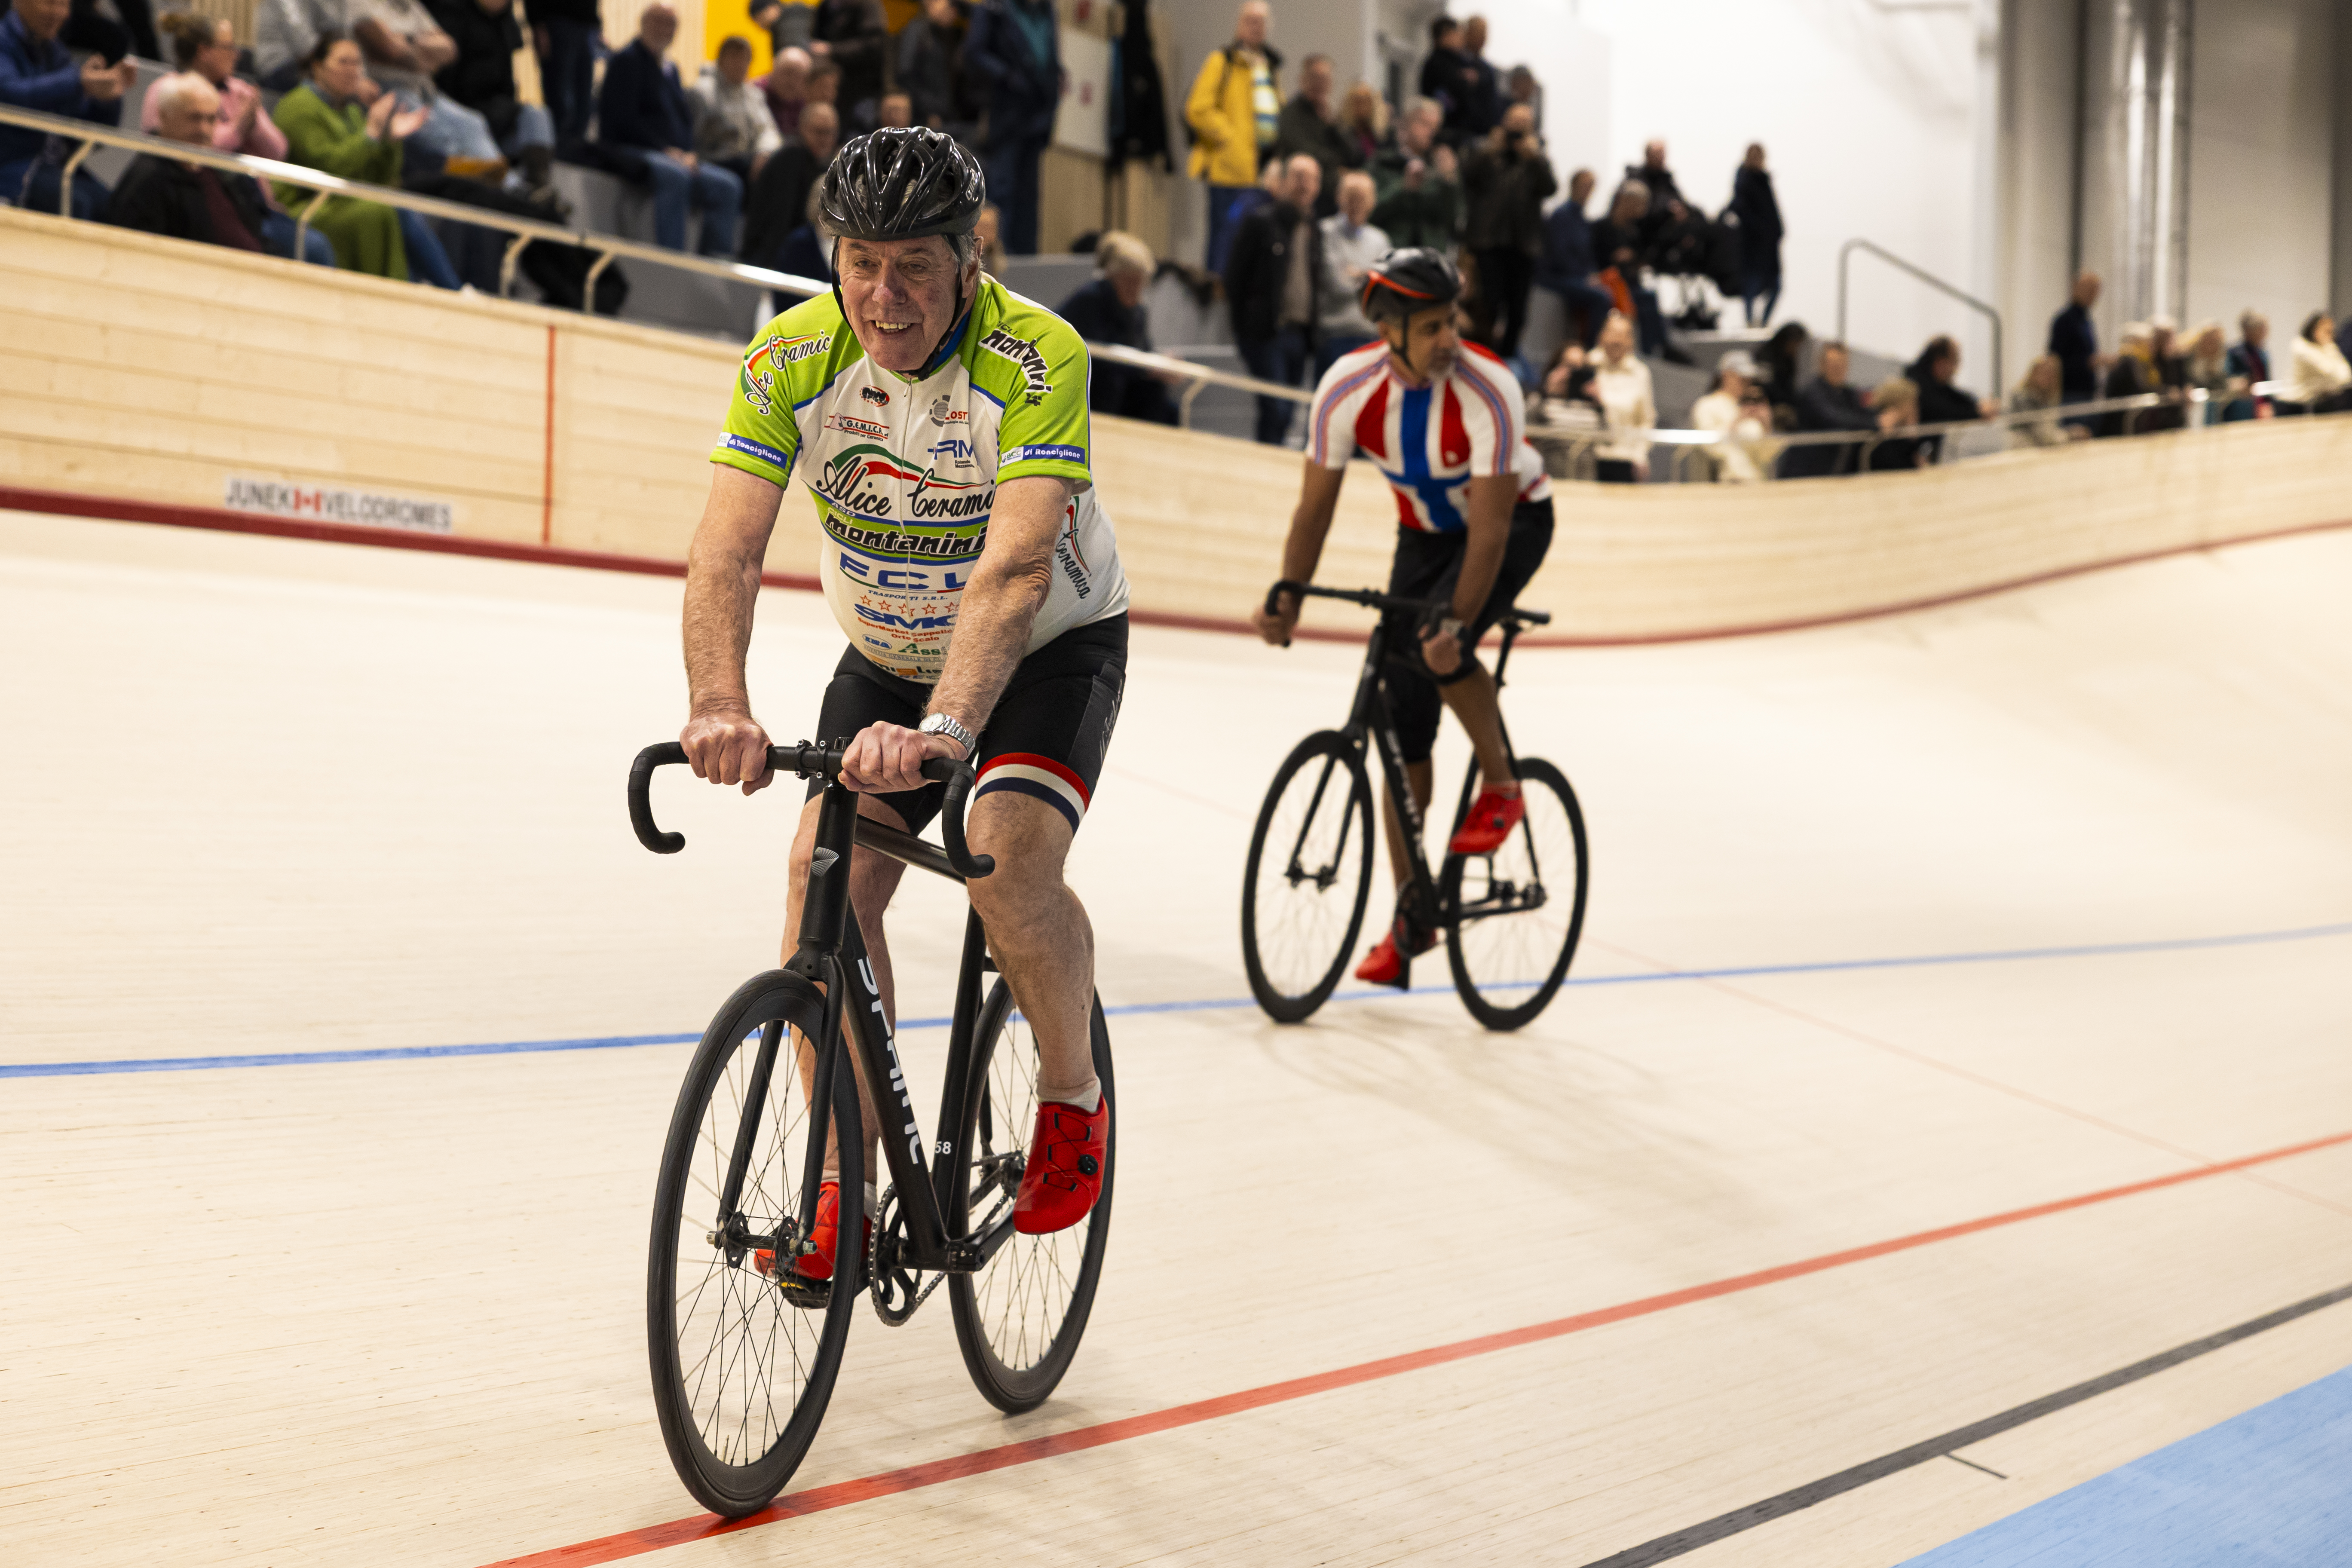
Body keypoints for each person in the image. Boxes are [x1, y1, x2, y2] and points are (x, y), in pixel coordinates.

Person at [684, 128, 1130, 1272]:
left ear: (970, 264)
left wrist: (945, 731)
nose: (885, 296)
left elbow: (1015, 571)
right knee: (821, 879)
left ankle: (1072, 1096)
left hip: (1045, 648)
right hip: (886, 651)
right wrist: (719, 699)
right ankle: (848, 1189)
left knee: (1004, 857)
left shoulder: (1038, 356)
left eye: (916, 268)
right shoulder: (789, 358)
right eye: (862, 264)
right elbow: (728, 549)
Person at [1252, 248, 1554, 985]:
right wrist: (1289, 590)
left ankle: (1502, 784)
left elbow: (1489, 535)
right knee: (1401, 724)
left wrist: (1456, 627)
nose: (1449, 339)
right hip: (1424, 533)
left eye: (1452, 321)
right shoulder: (1346, 389)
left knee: (1437, 645)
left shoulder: (1490, 389)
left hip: (1514, 521)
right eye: (1430, 328)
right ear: (1388, 331)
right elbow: (1313, 508)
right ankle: (1412, 916)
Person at [143, 12, 339, 264]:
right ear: (205, 51)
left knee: (317, 245)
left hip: (251, 205)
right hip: (198, 202)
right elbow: (199, 148)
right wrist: (239, 128)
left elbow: (278, 151)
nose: (237, 54)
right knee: (308, 248)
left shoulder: (239, 90)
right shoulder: (169, 91)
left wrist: (254, 125)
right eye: (228, 47)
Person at [272, 33, 463, 285]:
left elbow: (380, 179)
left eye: (358, 63)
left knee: (396, 205)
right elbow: (329, 168)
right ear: (318, 67)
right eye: (344, 62)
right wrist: (371, 135)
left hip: (344, 201)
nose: (353, 71)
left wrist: (390, 140)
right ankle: (440, 291)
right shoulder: (297, 106)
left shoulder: (351, 111)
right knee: (384, 211)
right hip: (308, 205)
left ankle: (444, 291)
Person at [104, 76, 316, 263]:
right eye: (194, 118)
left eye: (211, 119)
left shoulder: (219, 171)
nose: (204, 130)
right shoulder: (149, 180)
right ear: (165, 117)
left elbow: (254, 232)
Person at [599, 3, 742, 255]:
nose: (665, 30)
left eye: (671, 25)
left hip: (673, 156)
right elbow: (623, 120)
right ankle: (672, 261)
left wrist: (688, 153)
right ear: (644, 23)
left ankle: (713, 265)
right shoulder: (626, 61)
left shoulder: (671, 69)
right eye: (659, 22)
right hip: (631, 150)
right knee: (676, 177)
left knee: (728, 187)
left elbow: (684, 120)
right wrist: (665, 150)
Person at [1225, 152, 1323, 446]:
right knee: (1275, 410)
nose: (1304, 185)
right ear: (1282, 182)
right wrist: (1243, 329)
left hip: (1299, 334)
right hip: (1267, 333)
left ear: (1318, 187)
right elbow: (1235, 278)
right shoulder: (1260, 222)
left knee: (1288, 413)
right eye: (1298, 177)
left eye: (1311, 179)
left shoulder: (1315, 229)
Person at [1, 0, 132, 219]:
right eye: (50, 3)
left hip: (56, 166)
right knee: (76, 203)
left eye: (64, 5)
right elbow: (12, 95)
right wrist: (80, 82)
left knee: (118, 206)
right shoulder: (4, 41)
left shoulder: (56, 52)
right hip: (12, 165)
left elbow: (90, 133)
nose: (59, 13)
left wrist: (106, 99)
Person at [352, 0, 512, 178]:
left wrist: (407, 42)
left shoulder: (411, 5)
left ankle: (512, 187)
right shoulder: (363, 4)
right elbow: (389, 49)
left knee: (473, 123)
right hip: (387, 89)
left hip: (426, 90)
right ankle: (475, 182)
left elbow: (450, 49)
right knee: (439, 132)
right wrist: (423, 53)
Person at [424, 0, 560, 196]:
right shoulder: (450, 14)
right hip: (457, 111)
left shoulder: (505, 23)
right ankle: (518, 194)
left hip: (495, 112)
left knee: (537, 115)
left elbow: (507, 83)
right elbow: (442, 81)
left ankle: (537, 188)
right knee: (474, 125)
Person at [1186, 1, 1281, 273]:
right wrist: (1230, 137)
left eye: (1261, 21)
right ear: (1239, 25)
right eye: (1250, 20)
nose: (1256, 27)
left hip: (1260, 175)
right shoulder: (1222, 61)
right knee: (1224, 248)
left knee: (1252, 252)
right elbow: (1197, 109)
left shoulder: (1270, 67)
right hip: (1227, 174)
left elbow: (1275, 114)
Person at [962, 0, 1058, 256]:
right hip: (1005, 115)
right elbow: (974, 53)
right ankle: (1001, 259)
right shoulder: (994, 8)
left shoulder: (1047, 10)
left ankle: (1026, 260)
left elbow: (1050, 57)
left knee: (1029, 197)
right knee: (1002, 191)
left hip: (1038, 116)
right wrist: (1006, 76)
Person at [1058, 230, 1182, 426]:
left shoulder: (1138, 311)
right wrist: (1148, 369)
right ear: (1112, 277)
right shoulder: (1090, 300)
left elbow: (1142, 352)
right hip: (1087, 387)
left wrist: (1161, 364)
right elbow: (1096, 357)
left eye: (1141, 282)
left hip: (1124, 386)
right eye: (1129, 281)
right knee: (1110, 384)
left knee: (1164, 402)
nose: (1136, 290)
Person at [1460, 100, 1553, 361]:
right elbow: (1467, 178)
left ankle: (1507, 359)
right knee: (1487, 304)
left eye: (1524, 123)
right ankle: (1483, 356)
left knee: (1518, 310)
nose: (1518, 129)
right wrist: (1490, 150)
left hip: (1523, 244)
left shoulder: (1536, 157)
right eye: (1514, 122)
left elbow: (1550, 188)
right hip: (1489, 241)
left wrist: (1535, 158)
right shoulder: (1487, 150)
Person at [740, 97, 836, 268]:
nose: (825, 139)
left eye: (830, 133)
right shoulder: (791, 159)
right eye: (819, 132)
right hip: (768, 260)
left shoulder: (819, 164)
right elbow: (779, 220)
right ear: (803, 130)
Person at [1315, 168, 1387, 377]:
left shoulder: (1380, 240)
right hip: (1334, 334)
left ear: (1372, 202)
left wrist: (1357, 275)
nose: (1356, 204)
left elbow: (1384, 291)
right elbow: (1338, 285)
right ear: (1340, 198)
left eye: (1362, 198)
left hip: (1371, 335)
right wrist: (1369, 276)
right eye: (1351, 197)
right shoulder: (1324, 232)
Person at [1367, 95, 1458, 252]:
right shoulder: (1381, 163)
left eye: (1436, 127)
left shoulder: (1441, 166)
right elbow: (1369, 213)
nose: (1431, 133)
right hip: (1391, 252)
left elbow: (1454, 220)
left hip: (1431, 256)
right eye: (1425, 124)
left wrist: (1449, 182)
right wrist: (1403, 188)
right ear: (1405, 125)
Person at [691, 34, 783, 187]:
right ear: (721, 60)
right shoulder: (702, 92)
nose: (740, 64)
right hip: (713, 161)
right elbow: (694, 136)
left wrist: (764, 153)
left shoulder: (754, 95)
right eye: (734, 58)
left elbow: (768, 131)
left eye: (745, 59)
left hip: (749, 160)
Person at [1589, 178, 1667, 356]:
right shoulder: (1601, 227)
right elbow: (1595, 258)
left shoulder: (1633, 231)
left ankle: (1654, 349)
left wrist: (1634, 259)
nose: (1642, 210)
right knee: (1643, 299)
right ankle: (1651, 349)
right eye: (1639, 204)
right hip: (1609, 282)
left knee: (1649, 297)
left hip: (1629, 282)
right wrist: (1615, 258)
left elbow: (1639, 257)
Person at [1272, 52, 1354, 219]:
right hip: (1303, 195)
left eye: (1325, 79)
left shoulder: (1332, 118)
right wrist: (1336, 163)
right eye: (1315, 78)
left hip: (1332, 196)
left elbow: (1353, 154)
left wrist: (1333, 125)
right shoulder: (1289, 115)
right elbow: (1305, 152)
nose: (1320, 84)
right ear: (1303, 80)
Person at [1535, 168, 1610, 350]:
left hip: (1574, 276)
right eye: (1584, 186)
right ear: (1573, 186)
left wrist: (1592, 274)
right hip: (1555, 276)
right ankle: (1590, 348)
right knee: (1602, 297)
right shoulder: (1562, 216)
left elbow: (1587, 254)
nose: (1587, 191)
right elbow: (1559, 255)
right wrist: (1584, 278)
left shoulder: (1582, 219)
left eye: (1590, 187)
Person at [1779, 339, 1875, 478]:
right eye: (1834, 365)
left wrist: (1884, 418)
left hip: (1837, 472)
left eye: (1842, 365)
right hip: (1807, 472)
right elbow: (1834, 418)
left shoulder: (1848, 394)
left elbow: (1863, 414)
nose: (1839, 369)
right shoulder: (1813, 393)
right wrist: (1877, 423)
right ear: (1822, 365)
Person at [1589, 310, 1653, 482]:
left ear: (1631, 341)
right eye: (1612, 333)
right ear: (1601, 336)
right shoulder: (1588, 365)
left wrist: (1641, 455)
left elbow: (1647, 420)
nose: (1616, 341)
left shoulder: (1640, 373)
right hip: (1589, 458)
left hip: (1625, 458)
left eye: (1623, 335)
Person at [897, 0, 975, 141]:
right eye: (949, 6)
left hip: (948, 114)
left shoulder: (946, 34)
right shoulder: (917, 31)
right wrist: (930, 111)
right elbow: (906, 76)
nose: (953, 13)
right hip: (925, 116)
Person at [1906, 334, 1992, 459]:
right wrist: (1977, 413)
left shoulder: (1932, 381)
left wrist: (1977, 404)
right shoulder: (1914, 385)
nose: (1956, 369)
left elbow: (1953, 395)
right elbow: (1943, 411)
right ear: (1940, 362)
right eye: (1955, 362)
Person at [1690, 351, 1770, 482]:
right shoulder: (1706, 405)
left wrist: (1766, 423)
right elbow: (1710, 448)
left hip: (1758, 483)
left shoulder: (1749, 407)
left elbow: (1766, 456)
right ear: (1727, 376)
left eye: (1750, 380)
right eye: (1743, 379)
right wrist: (1737, 421)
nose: (1748, 383)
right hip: (1725, 485)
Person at [807, 0, 886, 129]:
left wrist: (832, 50)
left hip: (860, 87)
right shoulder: (826, 6)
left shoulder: (868, 5)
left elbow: (873, 45)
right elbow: (816, 38)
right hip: (832, 81)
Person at [1727, 142, 1782, 327]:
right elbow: (1740, 208)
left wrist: (1776, 232)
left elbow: (1771, 211)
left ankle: (1761, 323)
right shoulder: (1746, 181)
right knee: (1752, 286)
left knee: (1774, 286)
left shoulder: (1763, 180)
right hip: (1753, 246)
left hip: (1768, 244)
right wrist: (1760, 230)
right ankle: (1752, 323)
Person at [256, 0, 354, 92]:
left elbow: (333, 27)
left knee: (345, 77)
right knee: (338, 82)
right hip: (280, 65)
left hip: (305, 63)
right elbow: (305, 46)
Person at [2049, 270, 2102, 404]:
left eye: (2095, 291)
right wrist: (2088, 362)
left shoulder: (2086, 320)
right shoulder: (2065, 321)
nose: (2093, 295)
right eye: (2090, 290)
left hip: (2087, 392)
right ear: (2077, 288)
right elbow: (2055, 360)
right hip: (2071, 392)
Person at [2004, 354, 2078, 448]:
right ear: (2034, 373)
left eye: (2051, 374)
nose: (2046, 377)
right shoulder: (2021, 396)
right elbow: (2041, 435)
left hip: (2043, 448)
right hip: (2023, 447)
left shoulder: (2050, 398)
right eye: (2043, 372)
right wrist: (2069, 435)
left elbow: (2050, 432)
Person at [2287, 312, 2352, 413]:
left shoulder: (2327, 347)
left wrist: (2330, 348)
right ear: (2315, 330)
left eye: (2332, 332)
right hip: (2295, 405)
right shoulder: (2301, 347)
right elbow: (2329, 372)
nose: (2331, 336)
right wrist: (2330, 350)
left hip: (2316, 402)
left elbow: (2346, 376)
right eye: (2327, 331)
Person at [2225, 310, 2274, 419]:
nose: (2264, 333)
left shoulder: (2263, 353)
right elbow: (2230, 377)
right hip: (2241, 406)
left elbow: (2266, 379)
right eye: (2260, 329)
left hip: (2261, 404)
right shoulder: (2234, 352)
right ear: (2247, 330)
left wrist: (2268, 404)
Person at [1867, 377, 1923, 469]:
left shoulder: (1904, 431)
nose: (1915, 408)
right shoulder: (1883, 427)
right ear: (1901, 404)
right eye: (1912, 404)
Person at [759, 44, 812, 142]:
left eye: (798, 76)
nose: (792, 81)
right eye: (788, 73)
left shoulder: (808, 100)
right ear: (774, 70)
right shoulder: (756, 94)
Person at [1335, 80, 1384, 169]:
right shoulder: (1340, 134)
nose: (1363, 107)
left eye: (1366, 101)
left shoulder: (1382, 134)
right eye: (1358, 102)